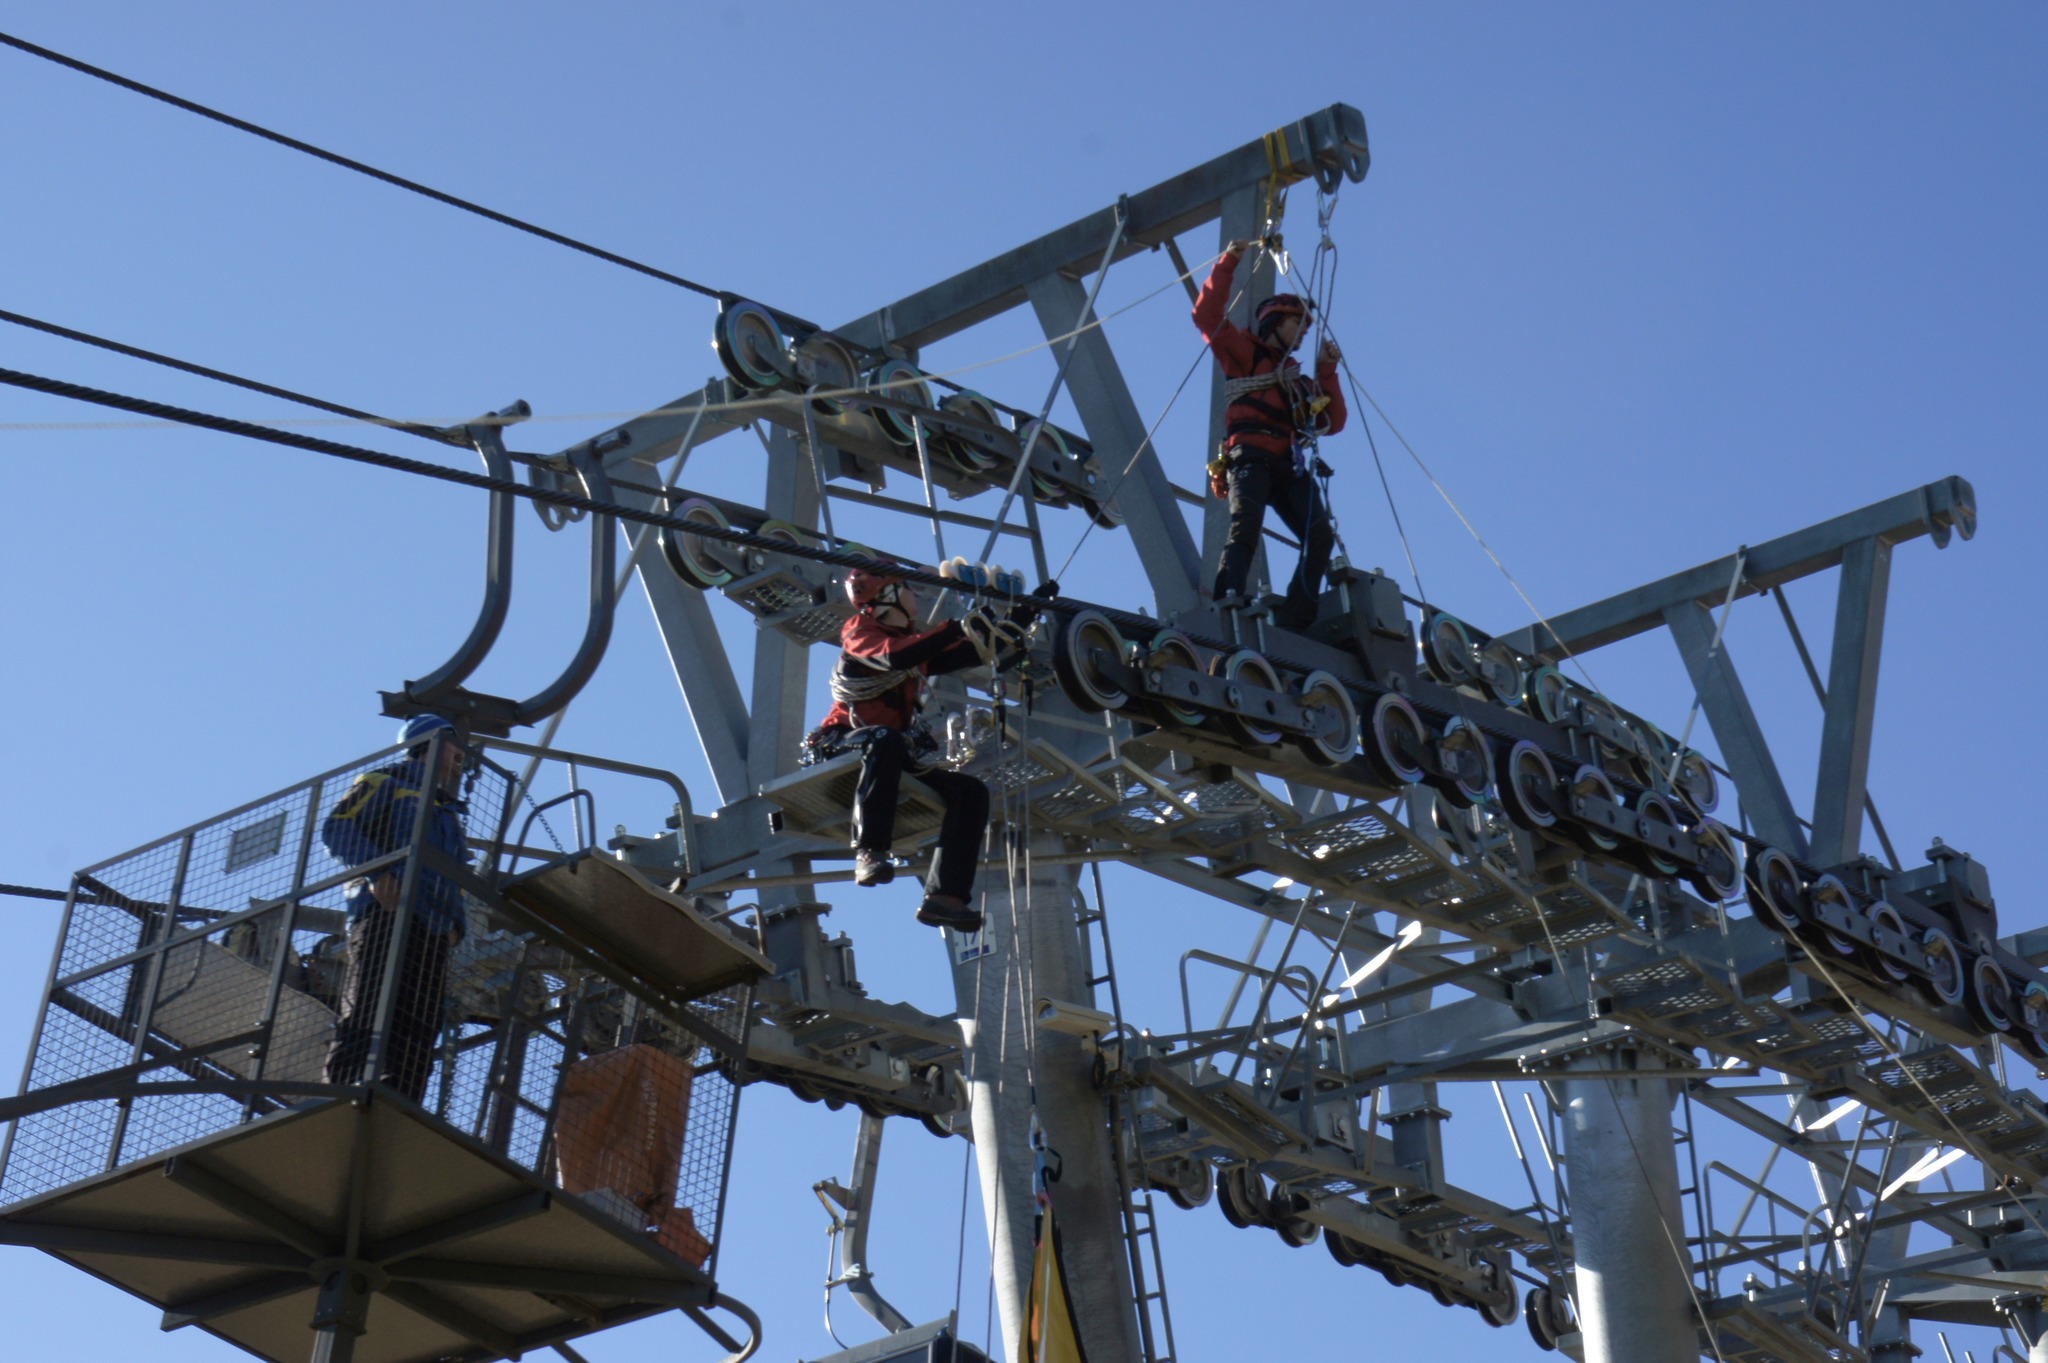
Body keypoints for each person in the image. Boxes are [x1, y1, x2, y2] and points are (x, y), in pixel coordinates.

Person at [801, 562, 1050, 933]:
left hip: (888, 751)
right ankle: (870, 850)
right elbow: (894, 657)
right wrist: (954, 627)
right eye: (909, 589)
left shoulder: (916, 646)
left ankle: (945, 897)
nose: (916, 596)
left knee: (970, 792)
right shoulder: (861, 630)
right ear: (888, 596)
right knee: (883, 740)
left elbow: (974, 651)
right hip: (844, 744)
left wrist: (1026, 610)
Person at [1194, 240, 1349, 630]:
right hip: (1251, 457)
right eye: (1297, 323)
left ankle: (1296, 621)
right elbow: (1207, 315)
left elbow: (1333, 420)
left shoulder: (1299, 381)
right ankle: (1229, 595)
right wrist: (1229, 262)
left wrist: (1327, 371)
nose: (1302, 333)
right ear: (1275, 322)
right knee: (1245, 526)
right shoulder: (1246, 353)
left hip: (1287, 465)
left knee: (1320, 540)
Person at [322, 712, 472, 1102]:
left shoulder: (448, 812)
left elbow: (454, 872)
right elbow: (337, 826)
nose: (462, 753)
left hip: (433, 925)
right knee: (369, 1002)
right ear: (431, 742)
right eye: (454, 742)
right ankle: (342, 1091)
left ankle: (401, 1098)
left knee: (421, 1017)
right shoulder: (383, 782)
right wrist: (378, 872)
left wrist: (457, 922)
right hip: (386, 913)